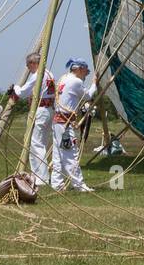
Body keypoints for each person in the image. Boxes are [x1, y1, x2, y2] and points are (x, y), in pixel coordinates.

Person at [9, 53, 57, 185]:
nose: (27, 68)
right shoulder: (50, 74)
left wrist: (15, 88)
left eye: (28, 65)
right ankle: (41, 175)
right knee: (41, 142)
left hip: (41, 110)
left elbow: (22, 92)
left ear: (33, 63)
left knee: (36, 144)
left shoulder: (38, 75)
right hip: (49, 110)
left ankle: (41, 177)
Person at [51, 59, 94, 192]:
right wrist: (94, 84)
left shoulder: (63, 78)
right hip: (65, 122)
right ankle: (79, 185)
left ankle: (57, 184)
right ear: (80, 69)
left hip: (58, 121)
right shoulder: (76, 81)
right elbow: (88, 96)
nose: (86, 75)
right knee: (71, 154)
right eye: (86, 71)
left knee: (58, 155)